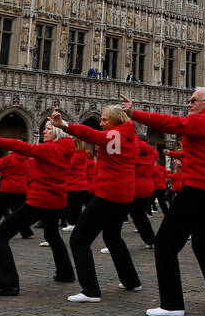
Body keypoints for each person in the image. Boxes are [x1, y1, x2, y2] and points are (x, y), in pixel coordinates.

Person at [122, 88, 205, 316]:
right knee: (202, 243)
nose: (189, 104)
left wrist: (135, 113)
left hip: (197, 190)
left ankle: (172, 304)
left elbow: (173, 123)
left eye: (193, 101)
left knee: (165, 244)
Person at [51, 104, 142, 302]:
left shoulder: (117, 135)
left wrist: (65, 125)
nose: (101, 124)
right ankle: (131, 280)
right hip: (123, 194)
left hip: (110, 194)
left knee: (79, 239)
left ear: (117, 120)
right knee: (112, 237)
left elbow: (93, 135)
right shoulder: (128, 136)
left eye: (104, 120)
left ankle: (90, 291)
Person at [0, 119, 77, 295]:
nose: (44, 132)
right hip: (56, 200)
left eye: (48, 129)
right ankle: (66, 273)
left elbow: (24, 147)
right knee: (52, 234)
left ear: (58, 133)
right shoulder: (65, 149)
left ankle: (8, 284)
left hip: (41, 200)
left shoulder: (51, 149)